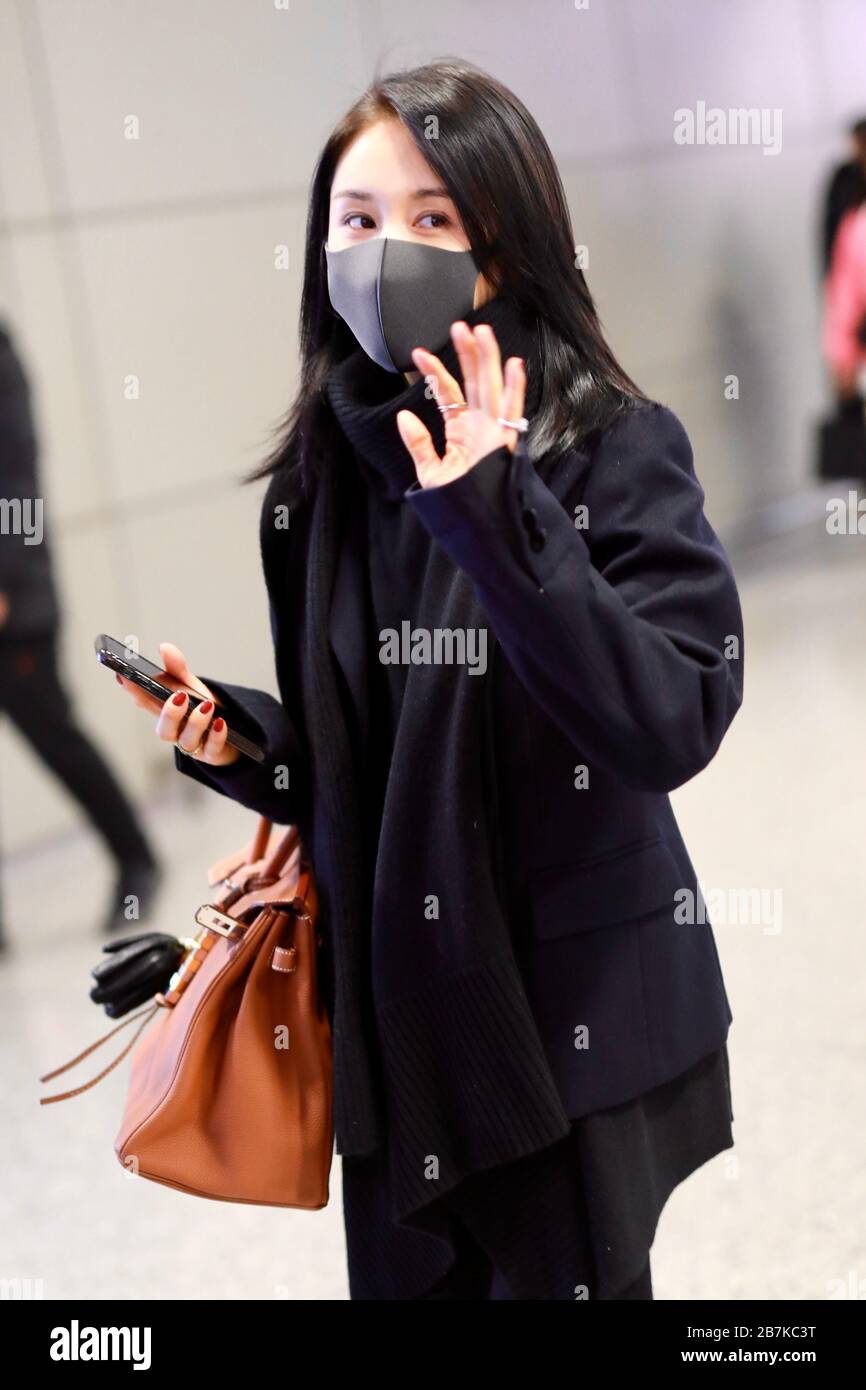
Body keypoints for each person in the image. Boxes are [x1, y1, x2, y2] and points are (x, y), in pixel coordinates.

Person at [116, 59, 744, 1301]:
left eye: (430, 217)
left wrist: (494, 518)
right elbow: (368, 762)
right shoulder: (318, 488)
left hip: (559, 1024)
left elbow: (666, 719)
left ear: (499, 250)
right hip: (398, 1036)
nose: (382, 248)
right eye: (354, 221)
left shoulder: (607, 447)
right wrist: (246, 744)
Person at [0, 320, 161, 945]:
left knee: (54, 735)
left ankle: (135, 855)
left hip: (15, 602)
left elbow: (17, 477)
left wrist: (7, 579)